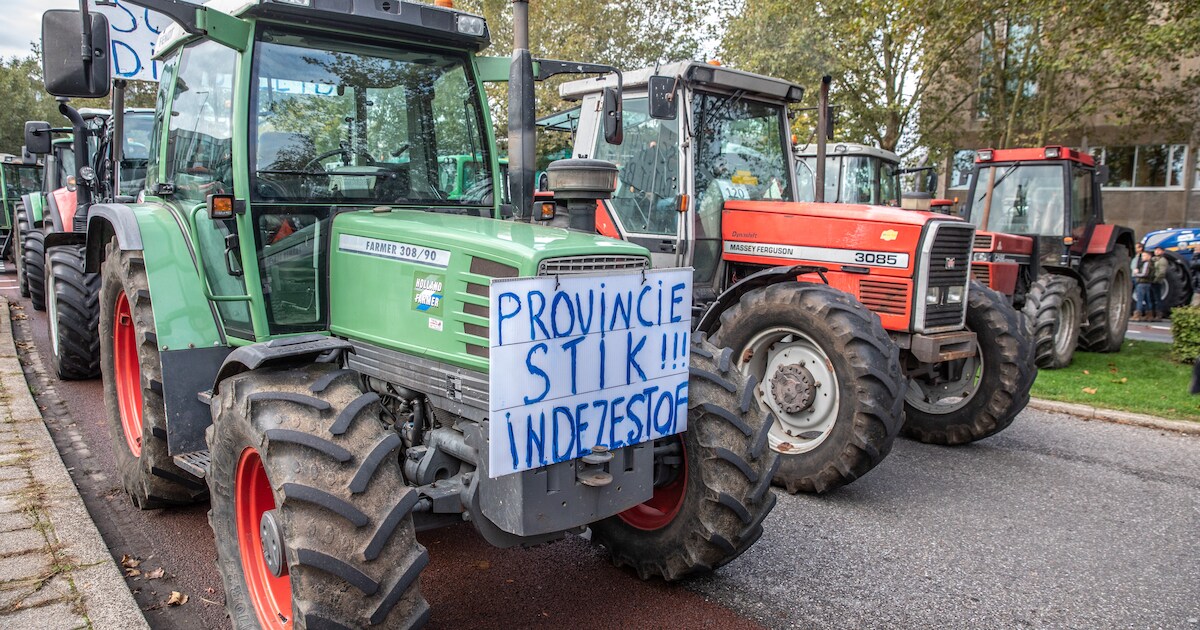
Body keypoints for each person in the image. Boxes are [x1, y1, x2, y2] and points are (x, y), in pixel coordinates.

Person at [1132, 250, 1158, 321]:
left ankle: (1137, 315)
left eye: (1144, 255)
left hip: (1142, 283)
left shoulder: (1146, 263)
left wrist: (1136, 273)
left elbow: (1144, 274)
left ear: (1149, 256)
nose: (1142, 257)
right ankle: (1149, 315)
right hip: (1148, 283)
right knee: (1147, 300)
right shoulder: (1152, 264)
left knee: (1139, 300)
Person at [1152, 247, 1170, 320]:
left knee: (1157, 298)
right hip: (1151, 280)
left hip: (1156, 281)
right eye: (1156, 250)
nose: (1156, 251)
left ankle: (1159, 314)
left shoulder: (1162, 261)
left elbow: (1162, 272)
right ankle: (1152, 314)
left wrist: (1156, 280)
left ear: (1162, 252)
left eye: (1159, 250)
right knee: (1152, 298)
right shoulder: (1153, 259)